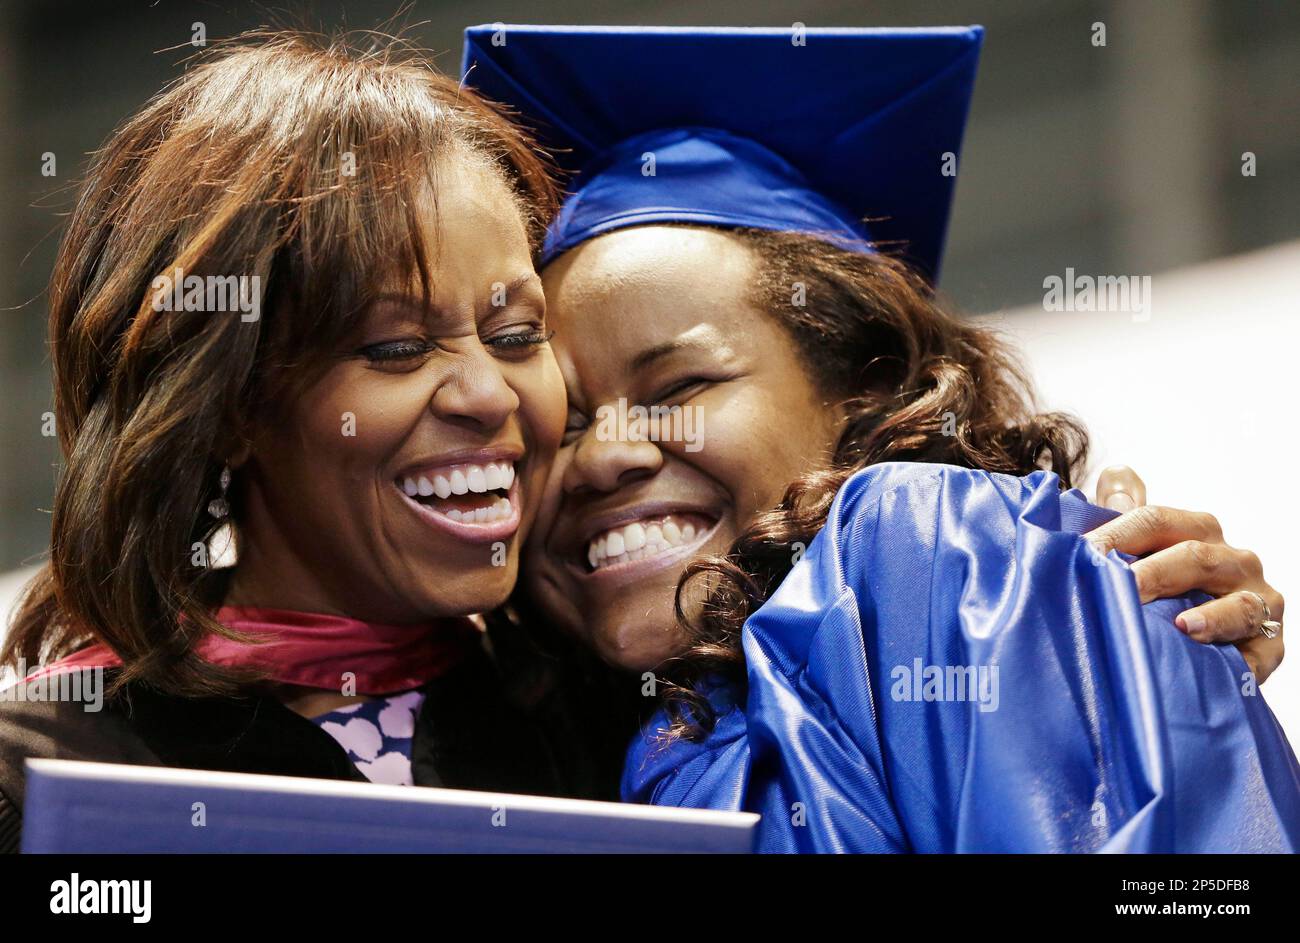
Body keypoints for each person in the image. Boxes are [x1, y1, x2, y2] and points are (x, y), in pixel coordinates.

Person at [465, 24, 1298, 851]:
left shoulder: (929, 545)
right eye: (560, 422)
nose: (603, 456)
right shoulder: (584, 734)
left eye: (679, 388)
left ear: (866, 385)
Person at [0, 31, 613, 855]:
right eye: (396, 348)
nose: (490, 393)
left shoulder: (604, 713)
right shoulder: (48, 780)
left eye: (514, 333)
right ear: (225, 405)